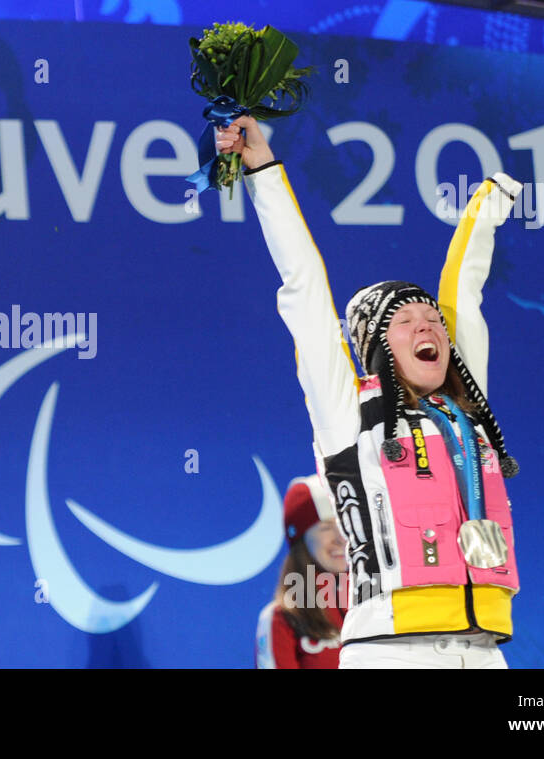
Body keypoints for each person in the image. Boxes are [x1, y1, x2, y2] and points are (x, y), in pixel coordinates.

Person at [218, 117, 523, 669]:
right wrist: (262, 170)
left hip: (483, 652)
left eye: (433, 319)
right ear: (378, 345)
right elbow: (304, 290)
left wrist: (486, 209)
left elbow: (464, 295)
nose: (428, 327)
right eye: (406, 320)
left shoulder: (465, 409)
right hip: (389, 652)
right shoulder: (347, 413)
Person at [255, 475, 348, 669]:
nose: (341, 538)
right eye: (326, 527)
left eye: (345, 525)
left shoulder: (378, 603)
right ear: (301, 539)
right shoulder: (281, 618)